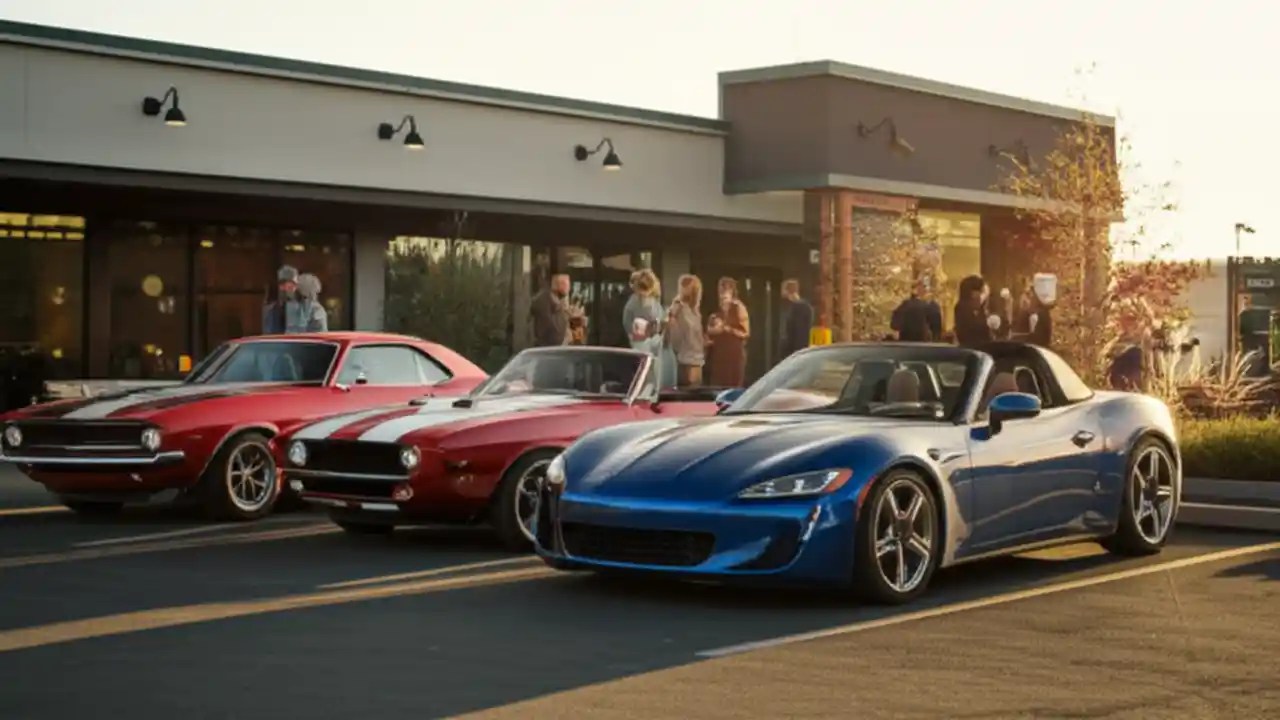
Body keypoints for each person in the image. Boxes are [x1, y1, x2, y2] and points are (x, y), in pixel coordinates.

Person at [622, 269, 677, 388]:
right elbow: (630, 328)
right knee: (644, 377)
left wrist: (664, 323)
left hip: (655, 346)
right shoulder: (632, 305)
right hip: (641, 345)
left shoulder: (654, 303)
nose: (644, 294)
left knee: (655, 376)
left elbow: (660, 322)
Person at [706, 277, 749, 387]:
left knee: (733, 385)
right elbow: (709, 333)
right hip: (719, 355)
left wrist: (726, 328)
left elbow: (745, 332)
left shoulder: (738, 307)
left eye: (725, 290)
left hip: (734, 354)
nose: (722, 294)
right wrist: (712, 330)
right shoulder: (717, 313)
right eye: (720, 290)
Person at [665, 274, 706, 387]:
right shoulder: (678, 308)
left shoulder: (695, 311)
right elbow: (674, 334)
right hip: (686, 359)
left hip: (697, 359)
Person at [890, 276, 942, 342]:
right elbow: (936, 333)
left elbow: (894, 325)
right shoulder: (933, 306)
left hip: (906, 345)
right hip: (926, 346)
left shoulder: (906, 305)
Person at [530, 273, 571, 347]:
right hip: (547, 347)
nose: (568, 288)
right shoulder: (544, 301)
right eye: (566, 284)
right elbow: (551, 327)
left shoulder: (557, 302)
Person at [778, 279, 814, 360]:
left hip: (796, 352)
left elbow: (799, 331)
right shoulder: (799, 306)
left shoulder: (799, 307)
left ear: (788, 291)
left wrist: (796, 353)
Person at [953, 275, 993, 348]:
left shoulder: (981, 310)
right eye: (981, 291)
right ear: (972, 292)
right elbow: (966, 333)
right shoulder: (962, 308)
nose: (982, 296)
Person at [262, 265, 300, 335]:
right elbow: (268, 335)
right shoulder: (272, 310)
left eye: (290, 286)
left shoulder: (303, 309)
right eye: (283, 285)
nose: (286, 289)